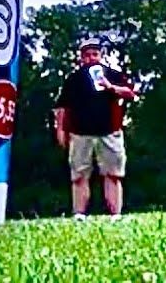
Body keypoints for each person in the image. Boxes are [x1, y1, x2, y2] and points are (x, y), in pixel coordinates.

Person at [52, 38, 137, 221]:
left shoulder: (113, 74)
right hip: (80, 133)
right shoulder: (73, 79)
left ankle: (115, 215)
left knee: (113, 174)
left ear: (101, 55)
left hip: (110, 131)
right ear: (81, 57)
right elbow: (62, 107)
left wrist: (111, 87)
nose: (91, 58)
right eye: (87, 55)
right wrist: (60, 130)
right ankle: (80, 214)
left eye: (95, 54)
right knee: (79, 175)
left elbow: (130, 93)